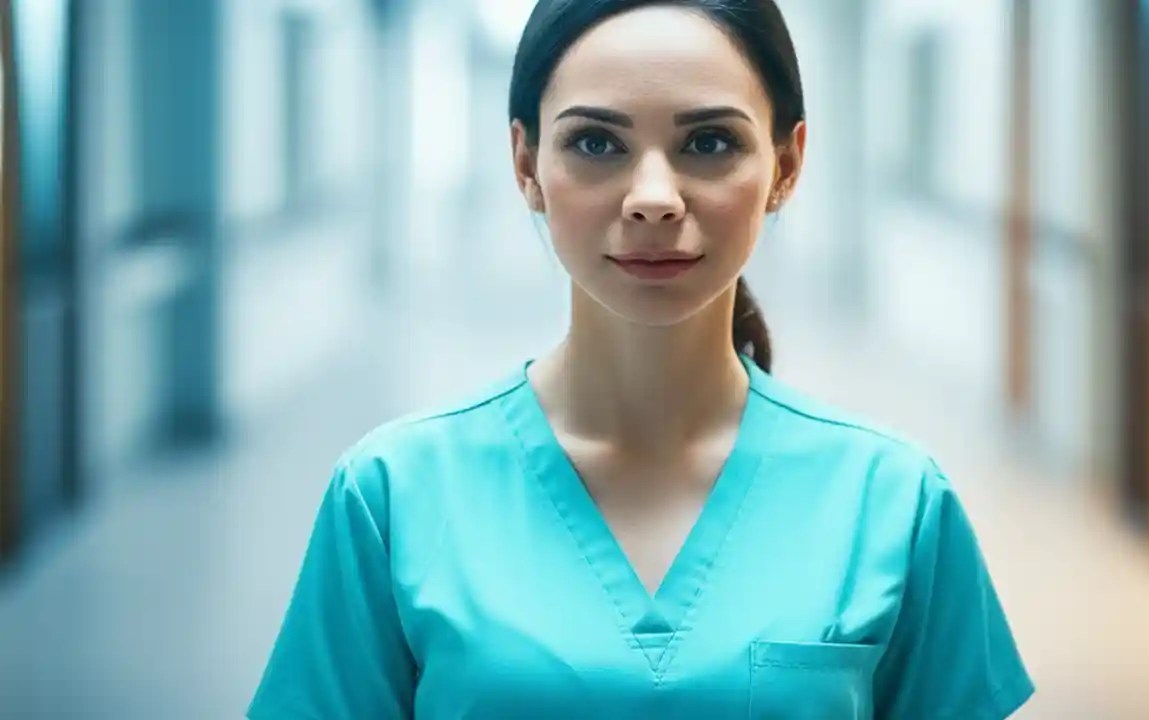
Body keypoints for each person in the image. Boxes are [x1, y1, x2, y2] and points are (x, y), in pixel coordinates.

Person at [247, 1, 1035, 717]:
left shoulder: (890, 501)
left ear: (787, 166)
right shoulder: (393, 497)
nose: (653, 197)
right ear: (526, 165)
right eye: (596, 142)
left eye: (709, 142)